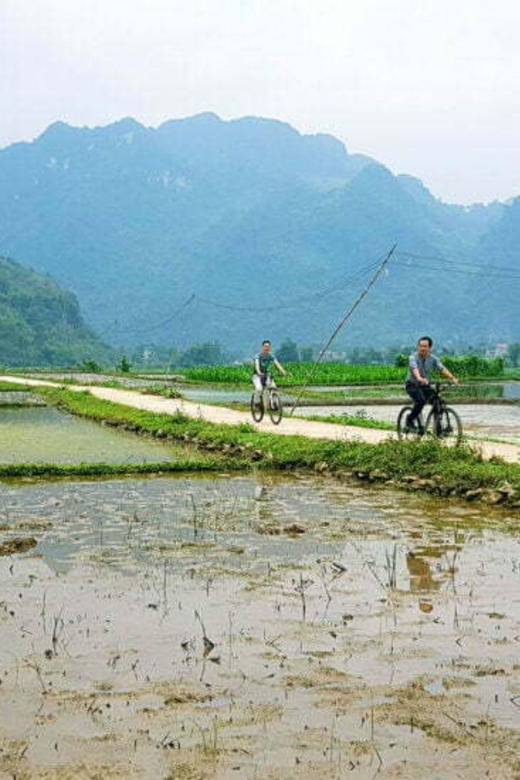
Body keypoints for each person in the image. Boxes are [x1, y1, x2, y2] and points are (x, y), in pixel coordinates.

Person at [405, 336, 459, 432]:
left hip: (424, 385)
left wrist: (452, 378)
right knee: (420, 401)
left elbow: (442, 368)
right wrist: (419, 378)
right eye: (420, 346)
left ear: (430, 348)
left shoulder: (433, 359)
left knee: (438, 401)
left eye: (425, 346)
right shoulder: (413, 357)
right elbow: (414, 369)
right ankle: (409, 420)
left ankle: (439, 429)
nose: (422, 348)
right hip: (412, 384)